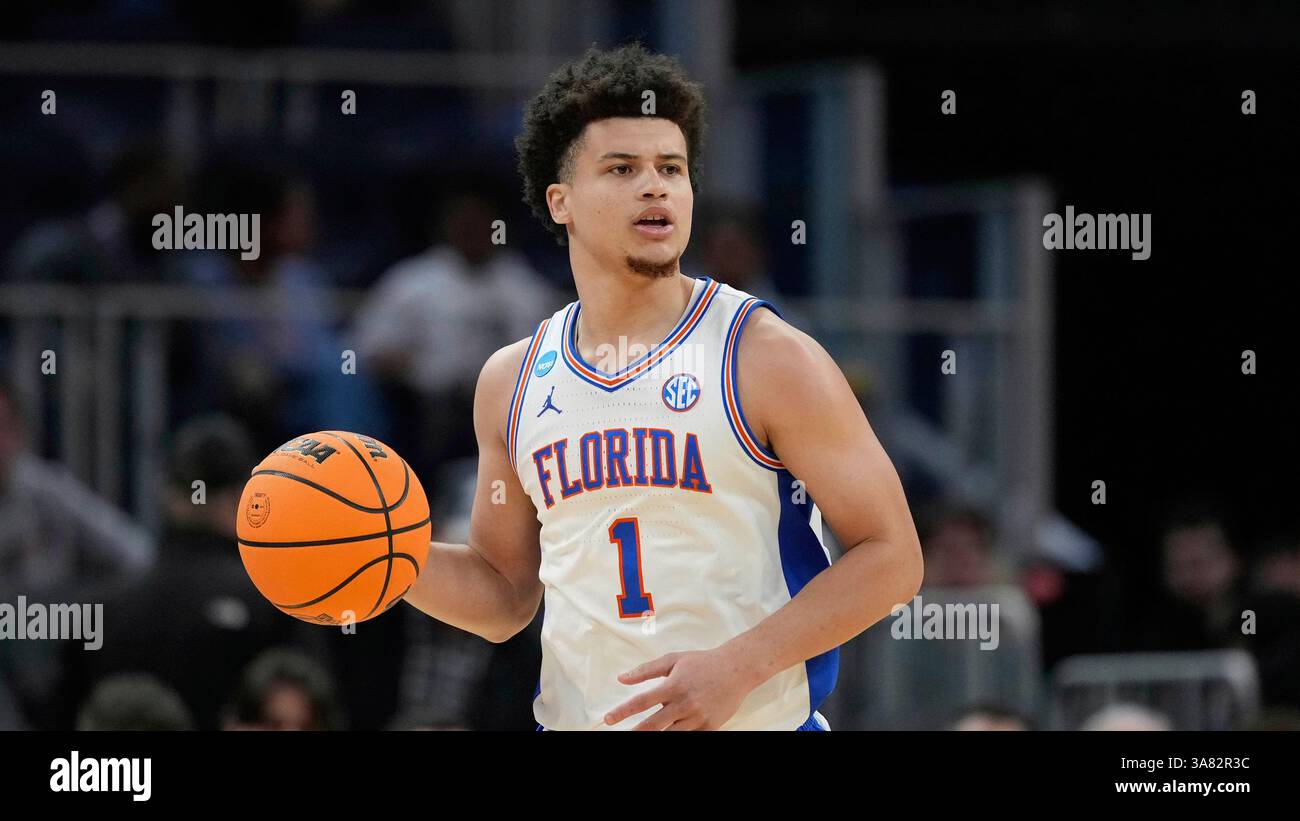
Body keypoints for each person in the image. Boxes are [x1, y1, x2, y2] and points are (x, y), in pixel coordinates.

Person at [402, 43, 923, 730]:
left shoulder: (765, 356)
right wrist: (386, 560)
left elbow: (893, 557)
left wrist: (743, 662)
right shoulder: (512, 379)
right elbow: (504, 595)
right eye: (622, 168)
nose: (655, 187)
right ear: (561, 202)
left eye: (670, 169)